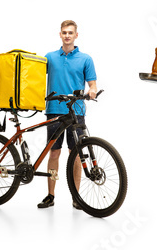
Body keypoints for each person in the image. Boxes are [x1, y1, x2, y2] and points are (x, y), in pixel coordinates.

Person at [37, 20, 98, 210]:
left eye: (70, 33)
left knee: (76, 154)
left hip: (76, 112)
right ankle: (50, 195)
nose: (67, 35)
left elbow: (92, 84)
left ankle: (76, 196)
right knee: (54, 152)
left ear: (76, 35)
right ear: (60, 35)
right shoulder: (50, 57)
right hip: (54, 110)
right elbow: (36, 78)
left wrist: (93, 90)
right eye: (64, 32)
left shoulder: (85, 59)